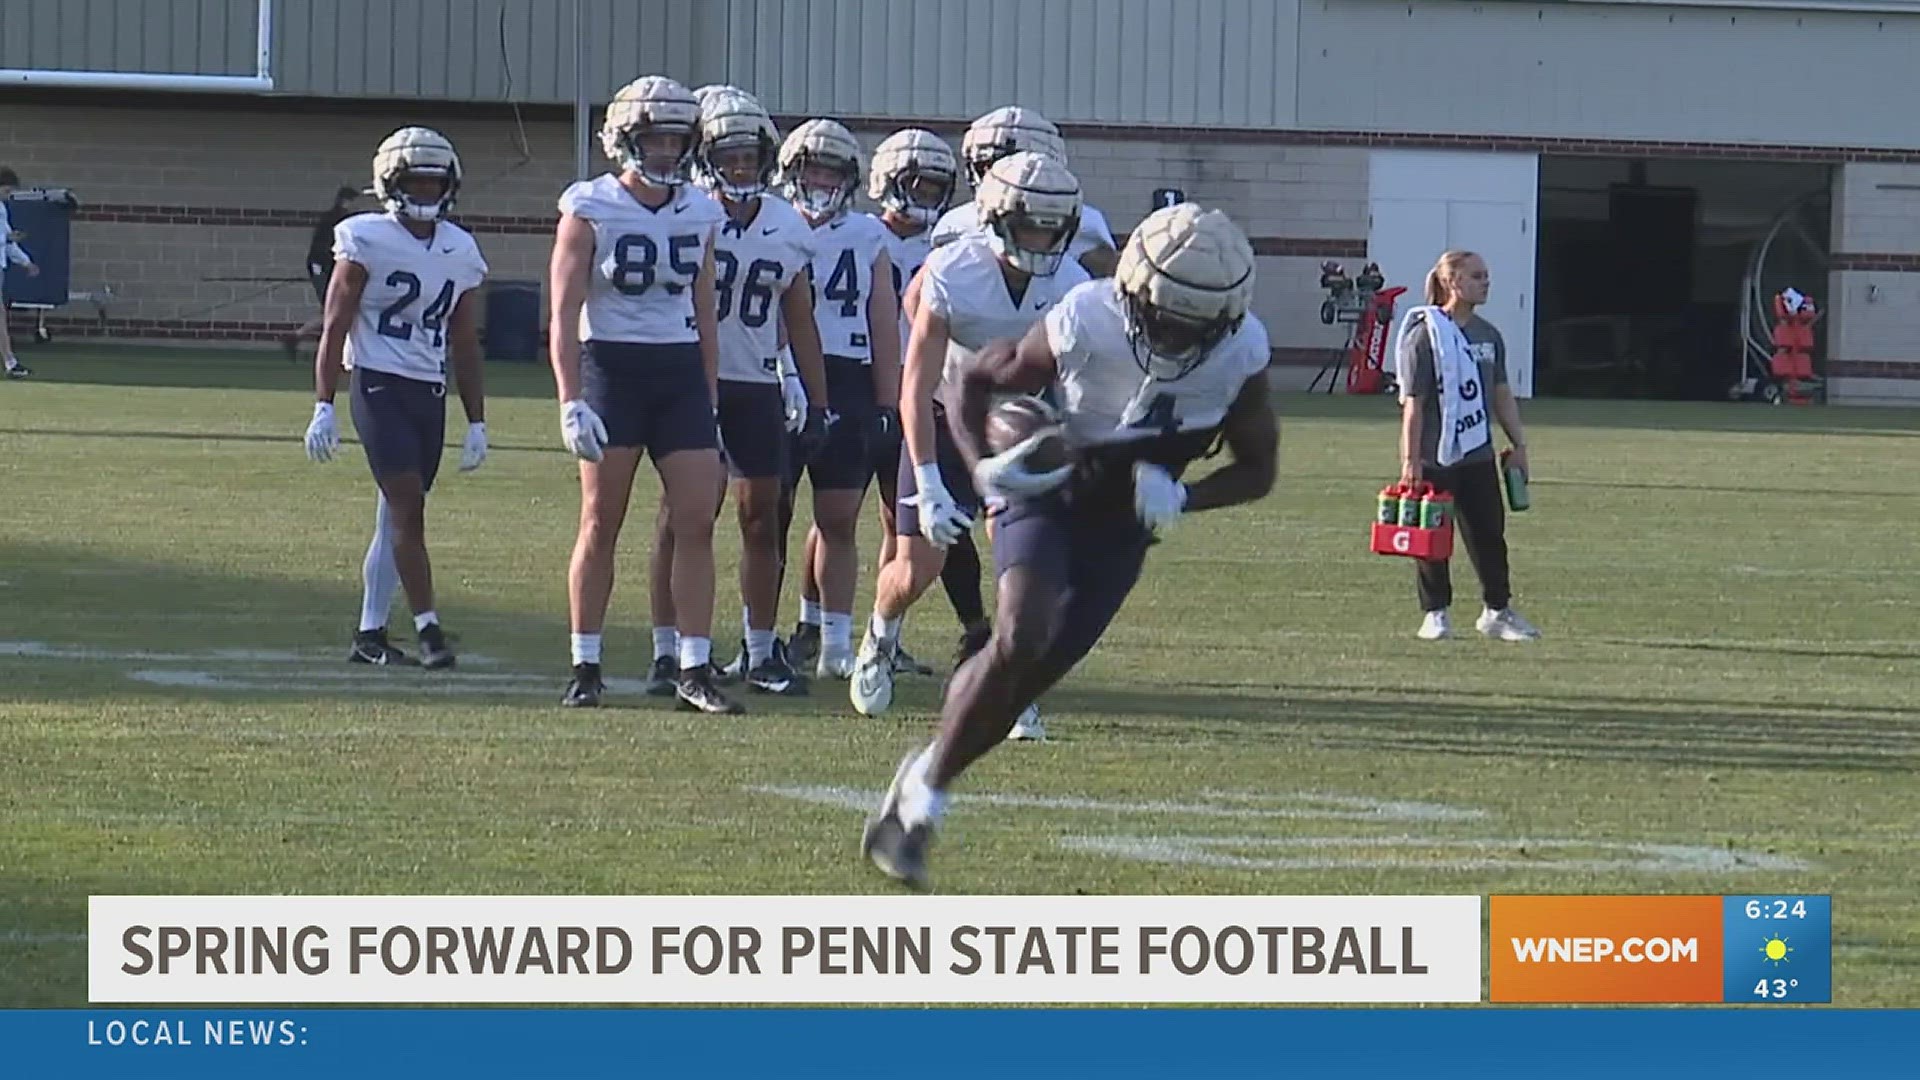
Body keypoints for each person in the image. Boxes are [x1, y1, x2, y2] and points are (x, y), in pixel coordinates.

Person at [861, 203, 1280, 889]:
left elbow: (1258, 470)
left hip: (1126, 518)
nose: (1174, 339)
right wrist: (981, 468)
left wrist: (1187, 497)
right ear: (1134, 293)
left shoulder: (1241, 354)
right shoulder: (1086, 316)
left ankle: (924, 780)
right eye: (1165, 318)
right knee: (1022, 634)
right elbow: (974, 380)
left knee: (1035, 669)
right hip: (1052, 486)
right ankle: (926, 805)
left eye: (1192, 327)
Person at [851, 151, 1090, 723]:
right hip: (942, 415)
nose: (1042, 237)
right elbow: (916, 382)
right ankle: (880, 636)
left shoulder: (1072, 285)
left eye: (1052, 225)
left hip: (1021, 424)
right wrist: (928, 479)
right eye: (1031, 222)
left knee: (1026, 565)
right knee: (917, 569)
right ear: (998, 219)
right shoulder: (954, 271)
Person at [548, 74, 737, 713]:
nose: (665, 151)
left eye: (676, 138)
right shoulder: (589, 205)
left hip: (678, 371)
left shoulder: (703, 210)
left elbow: (705, 309)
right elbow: (563, 309)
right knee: (601, 521)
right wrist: (571, 398)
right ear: (625, 139)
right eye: (654, 138)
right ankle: (585, 663)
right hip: (611, 369)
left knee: (696, 523)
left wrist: (708, 395)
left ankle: (692, 668)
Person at [650, 86, 832, 698]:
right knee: (682, 517)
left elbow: (800, 317)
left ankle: (760, 650)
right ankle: (667, 649)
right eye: (728, 155)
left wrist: (816, 395)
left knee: (763, 517)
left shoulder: (786, 224)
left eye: (750, 155)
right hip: (687, 377)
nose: (741, 166)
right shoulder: (686, 211)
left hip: (754, 380)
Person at [302, 127, 489, 670]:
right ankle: (429, 628)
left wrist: (477, 420)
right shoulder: (364, 237)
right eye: (417, 183)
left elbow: (463, 340)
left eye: (436, 184)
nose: (428, 193)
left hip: (427, 390)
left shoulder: (460, 247)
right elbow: (335, 326)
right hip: (378, 383)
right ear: (391, 184)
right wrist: (324, 403)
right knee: (408, 507)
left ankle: (370, 633)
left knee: (394, 516)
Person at [773, 119, 900, 680]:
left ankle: (835, 644)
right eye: (811, 168)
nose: (820, 179)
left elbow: (883, 322)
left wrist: (887, 403)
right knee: (765, 518)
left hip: (847, 373)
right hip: (777, 372)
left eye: (831, 170)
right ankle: (757, 639)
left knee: (839, 516)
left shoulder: (869, 236)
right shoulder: (772, 225)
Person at [1393, 250, 1540, 642]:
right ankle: (1435, 612)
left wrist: (1518, 443)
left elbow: (1501, 393)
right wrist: (1410, 460)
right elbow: (1414, 405)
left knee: (1489, 533)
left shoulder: (1489, 335)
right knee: (1433, 538)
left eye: (1486, 275)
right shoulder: (1425, 335)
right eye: (1477, 276)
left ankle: (1497, 611)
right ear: (1452, 282)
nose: (1486, 282)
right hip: (1435, 455)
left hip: (1477, 452)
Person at [864, 126, 961, 679]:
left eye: (933, 187)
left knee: (896, 526)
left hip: (925, 388)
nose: (923, 196)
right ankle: (815, 626)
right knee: (834, 515)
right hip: (872, 379)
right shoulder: (861, 235)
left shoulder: (945, 241)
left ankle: (887, 637)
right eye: (914, 184)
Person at [930, 107, 1119, 279]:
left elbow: (1103, 289)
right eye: (987, 166)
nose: (1000, 175)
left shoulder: (1085, 222)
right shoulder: (955, 223)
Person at [284, 185, 364, 359]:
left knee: (332, 307)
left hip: (326, 266)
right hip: (321, 265)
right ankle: (323, 347)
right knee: (332, 308)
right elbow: (325, 248)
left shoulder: (339, 218)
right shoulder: (338, 220)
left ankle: (298, 336)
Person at [0, 166, 40, 379]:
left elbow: (7, 241)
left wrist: (26, 262)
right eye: (6, 191)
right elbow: (5, 239)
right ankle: (10, 362)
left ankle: (10, 362)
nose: (7, 196)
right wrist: (7, 239)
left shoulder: (1, 209)